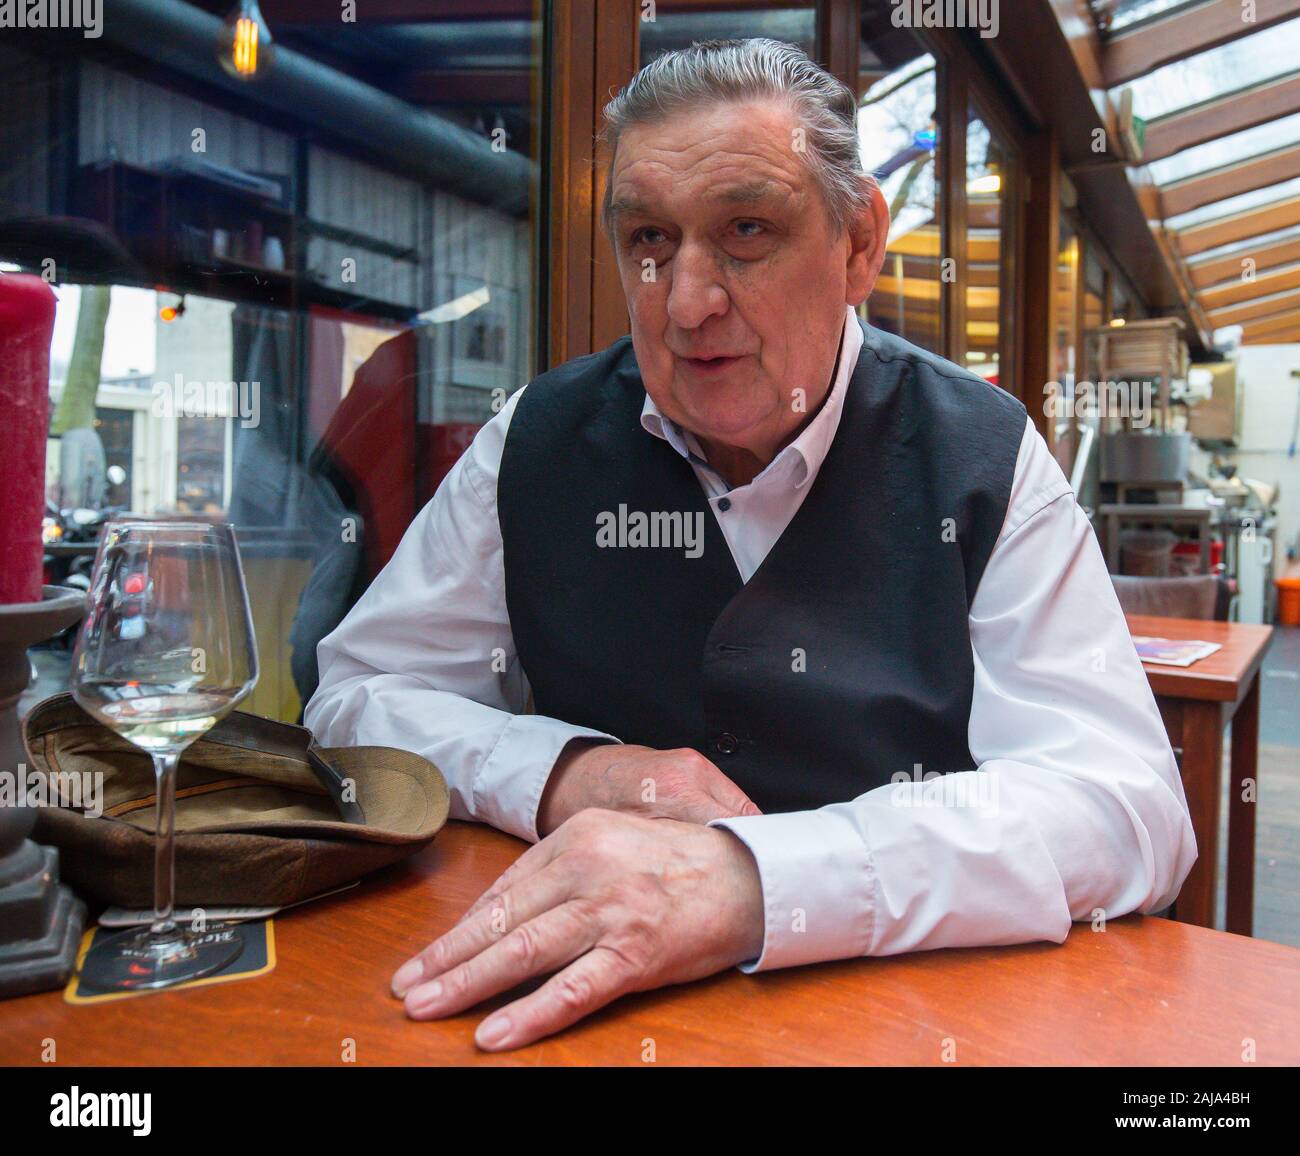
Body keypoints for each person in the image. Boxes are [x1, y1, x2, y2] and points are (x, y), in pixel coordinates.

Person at [304, 37, 1195, 1053]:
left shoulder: (980, 454)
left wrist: (752, 880)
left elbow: (1126, 813)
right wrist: (563, 772)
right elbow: (355, 697)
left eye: (745, 230)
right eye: (648, 238)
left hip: (899, 1028)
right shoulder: (533, 441)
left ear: (858, 243)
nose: (686, 303)